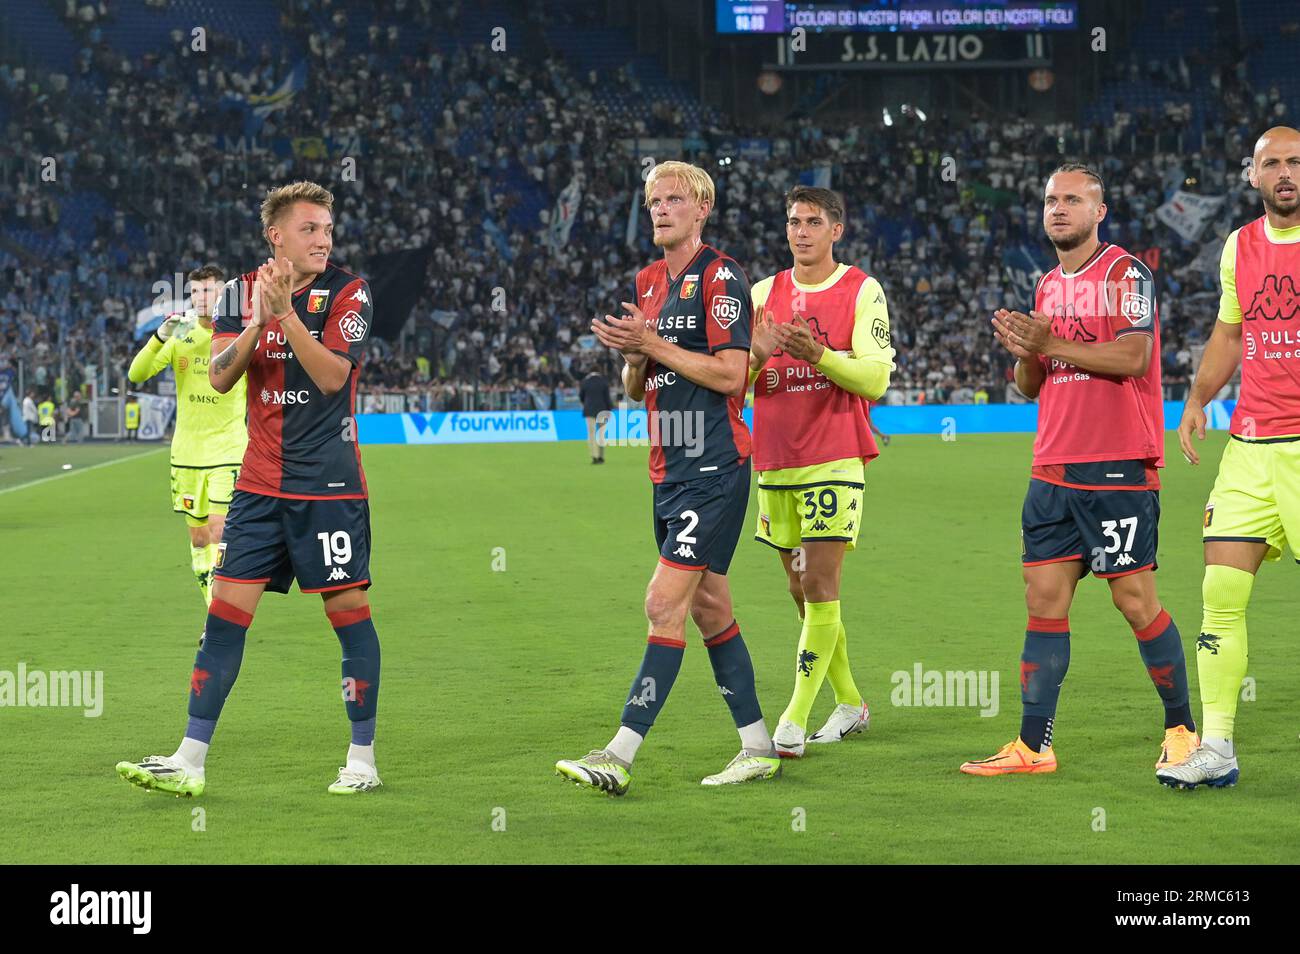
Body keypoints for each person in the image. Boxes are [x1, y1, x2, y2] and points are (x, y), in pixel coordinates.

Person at [116, 181, 381, 797]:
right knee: (224, 617)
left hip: (328, 487)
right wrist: (254, 321)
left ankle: (362, 760)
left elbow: (332, 378)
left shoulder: (349, 290)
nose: (324, 238)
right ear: (277, 235)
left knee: (347, 616)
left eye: (327, 228)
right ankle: (190, 758)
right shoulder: (238, 293)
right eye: (310, 228)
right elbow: (220, 372)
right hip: (259, 486)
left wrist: (284, 315)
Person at [961, 163, 1197, 782]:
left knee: (1134, 599)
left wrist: (1051, 342)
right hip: (1053, 467)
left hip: (1117, 464)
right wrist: (1028, 353)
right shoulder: (1045, 285)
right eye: (1049, 200)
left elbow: (1134, 354)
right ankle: (1033, 745)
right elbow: (1031, 383)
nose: (1058, 209)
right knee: (1043, 601)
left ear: (1100, 211)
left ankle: (1181, 729)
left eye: (1072, 200)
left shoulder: (1126, 273)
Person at [556, 160, 779, 793]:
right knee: (709, 608)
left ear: (702, 208)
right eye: (653, 200)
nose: (659, 209)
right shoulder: (649, 279)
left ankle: (618, 755)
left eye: (673, 199)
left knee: (662, 603)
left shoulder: (722, 275)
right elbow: (638, 387)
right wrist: (632, 357)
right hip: (667, 465)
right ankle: (757, 747)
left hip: (714, 463)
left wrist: (652, 345)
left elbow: (734, 375)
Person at [1166, 125, 1300, 789]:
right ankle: (1216, 747)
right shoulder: (1239, 247)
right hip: (1249, 447)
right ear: (1253, 176)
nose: (1285, 173)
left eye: (1295, 162)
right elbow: (1229, 330)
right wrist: (1197, 400)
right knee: (1219, 593)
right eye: (1272, 163)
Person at [747, 185, 894, 757]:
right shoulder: (764, 293)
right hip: (776, 460)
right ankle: (852, 702)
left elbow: (875, 380)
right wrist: (756, 355)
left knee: (819, 583)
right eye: (792, 221)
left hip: (834, 457)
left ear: (837, 229)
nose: (800, 231)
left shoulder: (861, 290)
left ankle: (791, 720)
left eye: (813, 221)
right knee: (798, 588)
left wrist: (820, 356)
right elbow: (739, 385)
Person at [127, 265, 247, 605]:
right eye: (195, 292)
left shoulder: (241, 337)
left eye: (209, 291)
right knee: (199, 540)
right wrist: (160, 337)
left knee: (220, 531)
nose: (201, 298)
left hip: (228, 451)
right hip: (187, 456)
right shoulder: (181, 335)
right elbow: (137, 374)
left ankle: (219, 614)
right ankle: (213, 607)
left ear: (224, 295)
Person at [579, 361, 612, 463]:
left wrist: (585, 403)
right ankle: (601, 456)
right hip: (602, 410)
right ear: (599, 371)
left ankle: (594, 456)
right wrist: (609, 410)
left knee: (591, 434)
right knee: (601, 433)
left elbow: (581, 396)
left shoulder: (585, 381)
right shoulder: (603, 381)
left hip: (589, 410)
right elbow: (607, 398)